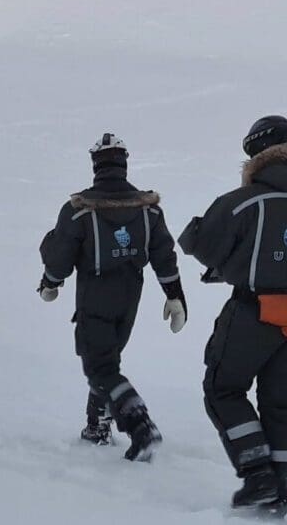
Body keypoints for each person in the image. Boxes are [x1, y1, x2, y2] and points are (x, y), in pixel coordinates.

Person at [178, 116, 287, 512]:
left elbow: (202, 242)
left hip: (254, 309)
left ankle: (258, 474)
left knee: (223, 389)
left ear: (254, 154)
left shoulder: (244, 201)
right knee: (281, 399)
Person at [37, 133, 184, 462]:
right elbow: (164, 255)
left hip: (95, 294)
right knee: (108, 360)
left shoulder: (78, 211)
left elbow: (60, 256)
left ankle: (139, 423)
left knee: (99, 366)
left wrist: (50, 283)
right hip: (131, 294)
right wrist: (175, 296)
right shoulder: (149, 212)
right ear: (124, 163)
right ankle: (98, 426)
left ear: (96, 166)